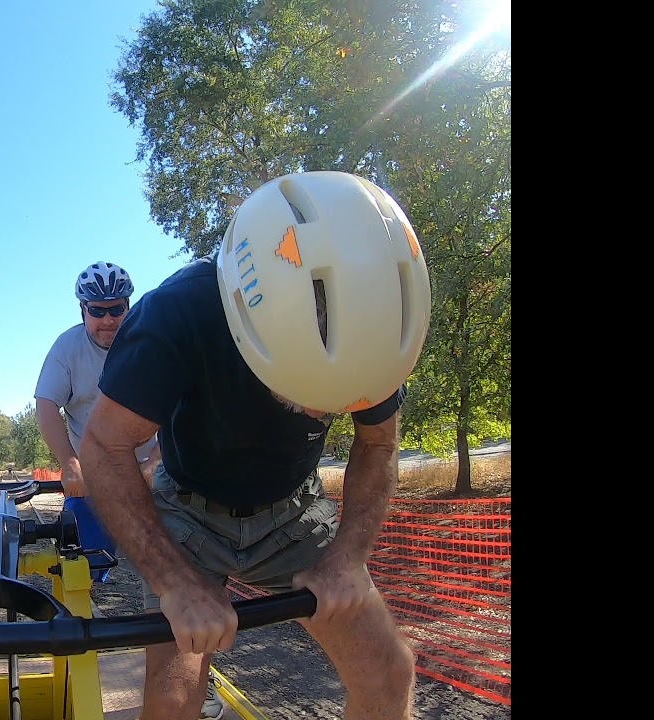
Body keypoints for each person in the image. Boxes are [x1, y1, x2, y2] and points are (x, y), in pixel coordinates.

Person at [79, 170, 430, 720]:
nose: (324, 413)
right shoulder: (175, 314)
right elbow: (103, 446)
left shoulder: (379, 322)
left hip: (293, 510)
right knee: (173, 700)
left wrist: (347, 557)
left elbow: (378, 446)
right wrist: (174, 582)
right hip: (187, 513)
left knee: (390, 673)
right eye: (308, 388)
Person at [33, 261, 160, 583]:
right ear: (82, 310)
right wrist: (69, 463)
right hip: (94, 474)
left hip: (153, 471)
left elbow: (180, 408)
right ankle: (83, 608)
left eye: (116, 310)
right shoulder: (67, 347)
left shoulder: (153, 344)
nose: (108, 320)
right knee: (82, 569)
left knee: (171, 570)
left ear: (128, 306)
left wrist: (158, 461)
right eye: (97, 311)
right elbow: (47, 406)